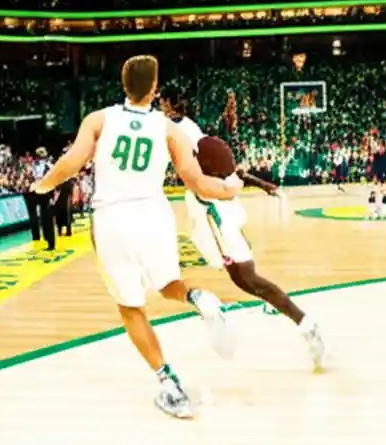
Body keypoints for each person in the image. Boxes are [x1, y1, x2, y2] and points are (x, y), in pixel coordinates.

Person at [31, 55, 241, 419]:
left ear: (123, 85)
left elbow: (72, 163)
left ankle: (169, 385)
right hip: (154, 215)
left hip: (113, 218)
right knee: (169, 284)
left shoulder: (99, 119)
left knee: (131, 307)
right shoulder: (168, 129)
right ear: (154, 89)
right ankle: (201, 298)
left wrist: (42, 184)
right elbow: (197, 182)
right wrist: (229, 189)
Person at [161, 94, 330, 371]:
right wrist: (260, 183)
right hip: (211, 203)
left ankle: (305, 324)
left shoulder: (183, 132)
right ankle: (290, 315)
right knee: (242, 279)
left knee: (248, 278)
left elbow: (224, 173)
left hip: (211, 205)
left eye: (163, 103)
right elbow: (231, 171)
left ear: (171, 106)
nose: (160, 107)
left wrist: (256, 184)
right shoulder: (191, 132)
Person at [26, 147, 56, 250]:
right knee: (43, 218)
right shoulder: (35, 166)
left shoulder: (49, 166)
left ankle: (51, 242)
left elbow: (52, 180)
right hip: (38, 191)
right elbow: (33, 177)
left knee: (47, 218)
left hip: (47, 192)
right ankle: (46, 238)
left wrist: (52, 195)